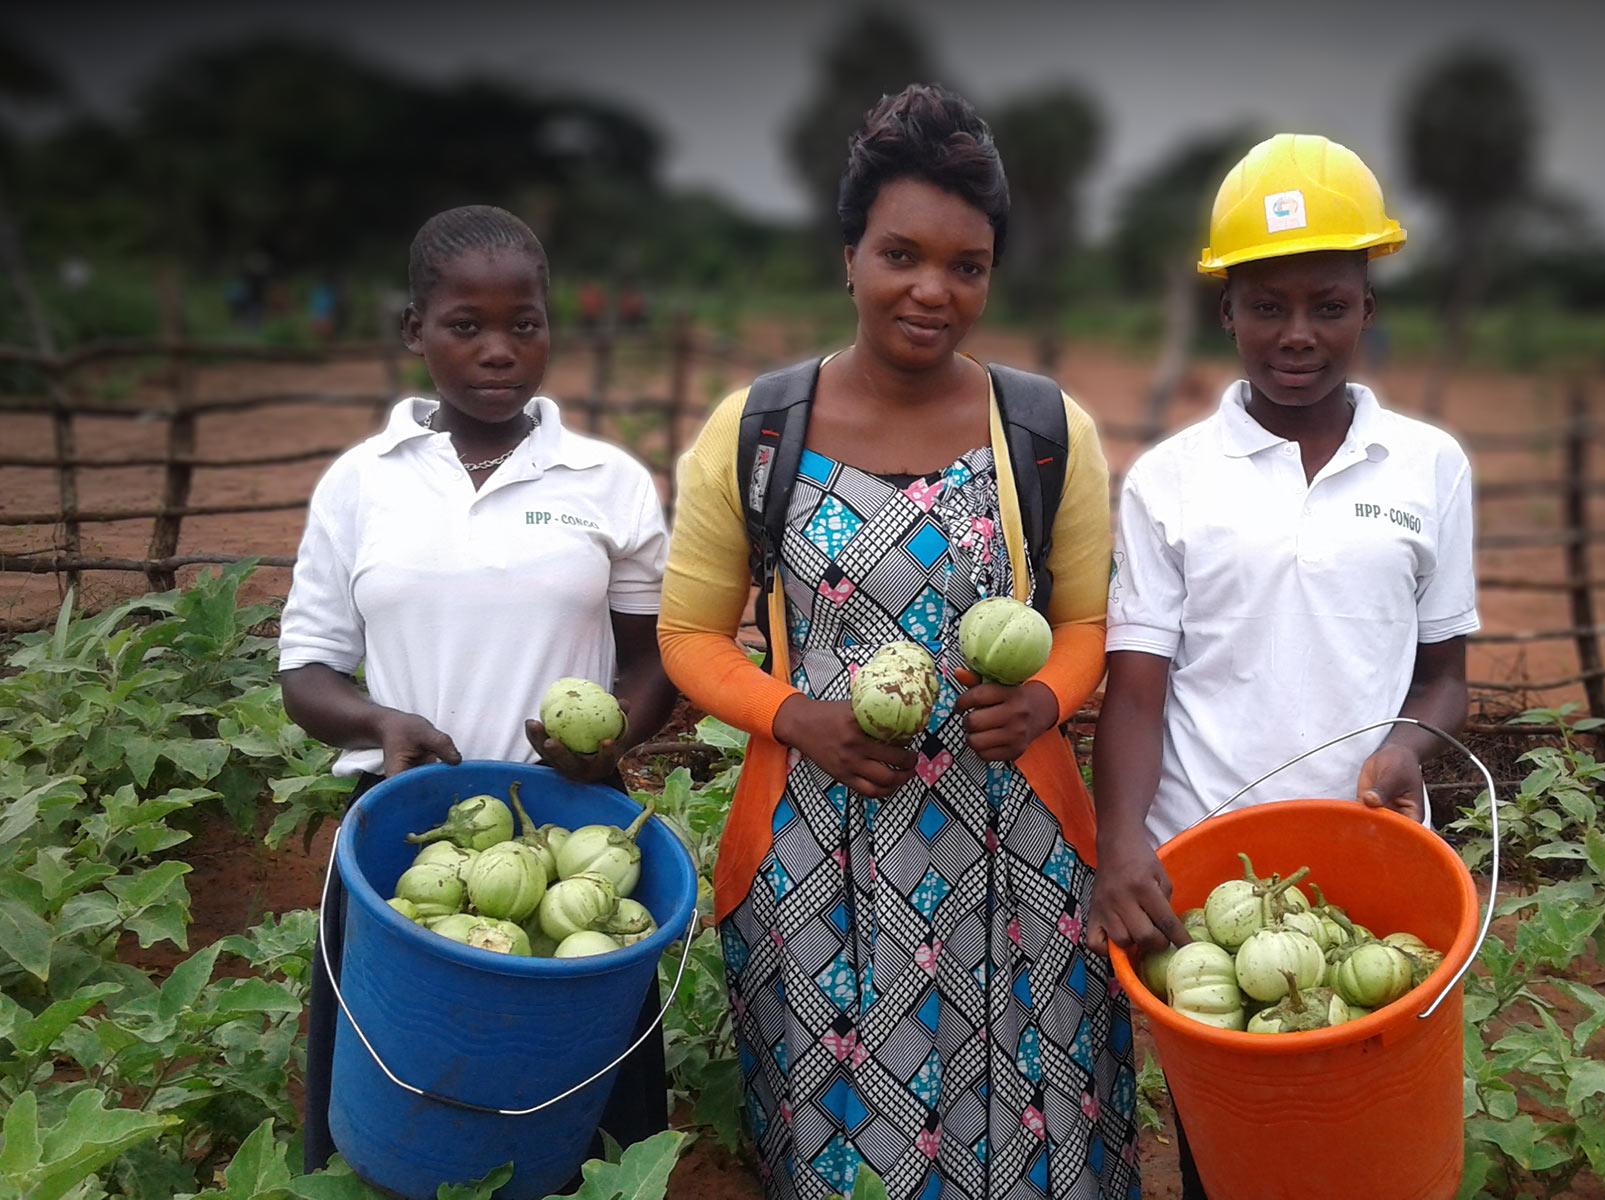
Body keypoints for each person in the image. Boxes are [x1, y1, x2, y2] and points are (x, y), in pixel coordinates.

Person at [658, 85, 1138, 1200]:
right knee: (841, 1147)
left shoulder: (1044, 430)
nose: (933, 290)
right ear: (849, 259)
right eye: (901, 255)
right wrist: (796, 717)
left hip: (1019, 857)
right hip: (814, 863)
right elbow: (688, 635)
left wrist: (1045, 701)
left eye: (967, 266)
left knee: (1036, 1139)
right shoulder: (757, 431)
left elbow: (1086, 622)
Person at [1085, 134, 1479, 1198]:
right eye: (1267, 305)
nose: (1297, 333)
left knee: (1368, 1146)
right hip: (1210, 877)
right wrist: (1121, 841)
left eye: (1328, 304)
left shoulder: (1428, 466)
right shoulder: (1170, 481)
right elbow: (1137, 688)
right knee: (1232, 1152)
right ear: (1227, 310)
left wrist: (1407, 747)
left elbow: (1444, 673)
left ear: (1367, 307)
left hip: (1370, 865)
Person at [277, 205, 678, 1172]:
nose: (499, 350)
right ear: (414, 330)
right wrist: (381, 721)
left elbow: (654, 659)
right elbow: (306, 670)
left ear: (550, 329)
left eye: (523, 324)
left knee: (578, 1118)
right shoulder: (362, 483)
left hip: (575, 839)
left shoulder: (606, 480)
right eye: (466, 326)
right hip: (408, 835)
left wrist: (613, 737)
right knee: (402, 1098)